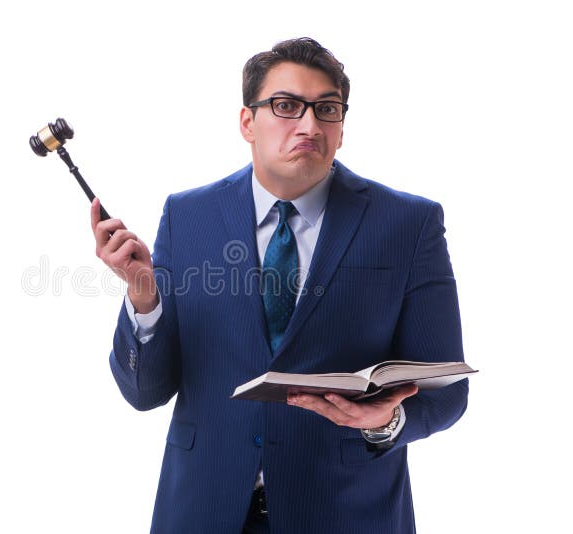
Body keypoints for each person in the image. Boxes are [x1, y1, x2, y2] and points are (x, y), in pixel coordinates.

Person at [91, 37, 468, 534]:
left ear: (341, 127)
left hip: (347, 514)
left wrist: (385, 422)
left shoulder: (407, 224)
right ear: (248, 122)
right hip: (203, 512)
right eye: (286, 106)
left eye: (326, 109)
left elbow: (446, 393)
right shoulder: (188, 216)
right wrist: (144, 298)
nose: (309, 126)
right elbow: (146, 393)